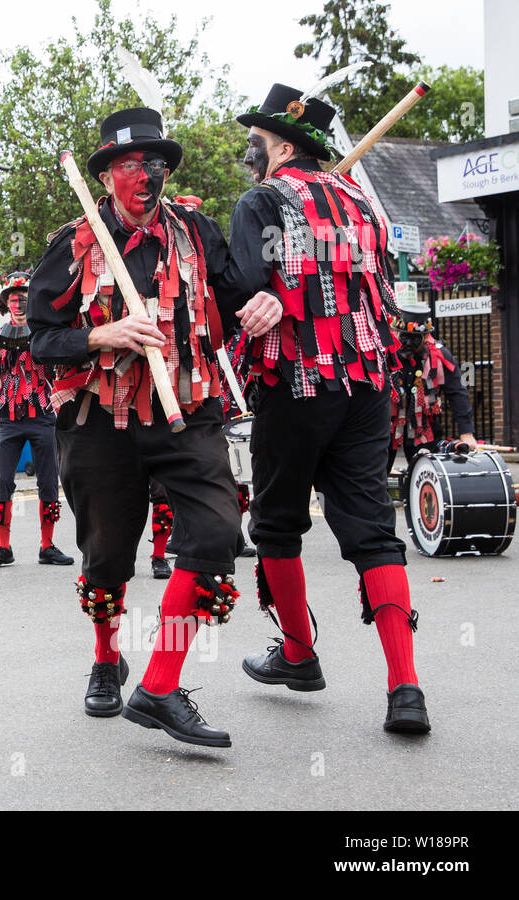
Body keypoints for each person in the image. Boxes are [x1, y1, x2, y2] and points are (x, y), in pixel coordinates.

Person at [28, 107, 246, 744]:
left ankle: (158, 685)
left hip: (188, 410)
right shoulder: (74, 242)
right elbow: (42, 339)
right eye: (130, 164)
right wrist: (103, 333)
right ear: (107, 175)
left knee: (214, 535)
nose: (145, 176)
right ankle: (105, 660)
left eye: (155, 163)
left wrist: (263, 298)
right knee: (107, 555)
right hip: (101, 418)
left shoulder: (199, 233)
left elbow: (235, 302)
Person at [229, 83, 429, 734]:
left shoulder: (261, 200)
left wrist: (262, 294)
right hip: (369, 382)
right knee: (371, 526)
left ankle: (298, 652)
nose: (249, 155)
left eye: (255, 144)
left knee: (279, 524)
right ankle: (405, 689)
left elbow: (245, 287)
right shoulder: (361, 204)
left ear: (283, 145)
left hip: (297, 380)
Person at [0, 271, 73, 569]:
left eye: (23, 297)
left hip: (42, 416)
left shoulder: (43, 332)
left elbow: (58, 368)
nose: (18, 303)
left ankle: (47, 546)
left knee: (48, 481)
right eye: (13, 298)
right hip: (8, 419)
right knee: (3, 482)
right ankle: (4, 547)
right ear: (6, 302)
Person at [389, 301, 475, 471]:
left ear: (425, 337)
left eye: (414, 339)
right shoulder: (385, 353)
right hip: (387, 427)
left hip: (423, 430)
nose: (407, 343)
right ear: (396, 332)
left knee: (426, 475)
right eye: (403, 336)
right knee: (375, 477)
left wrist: (466, 432)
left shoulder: (440, 356)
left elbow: (457, 393)